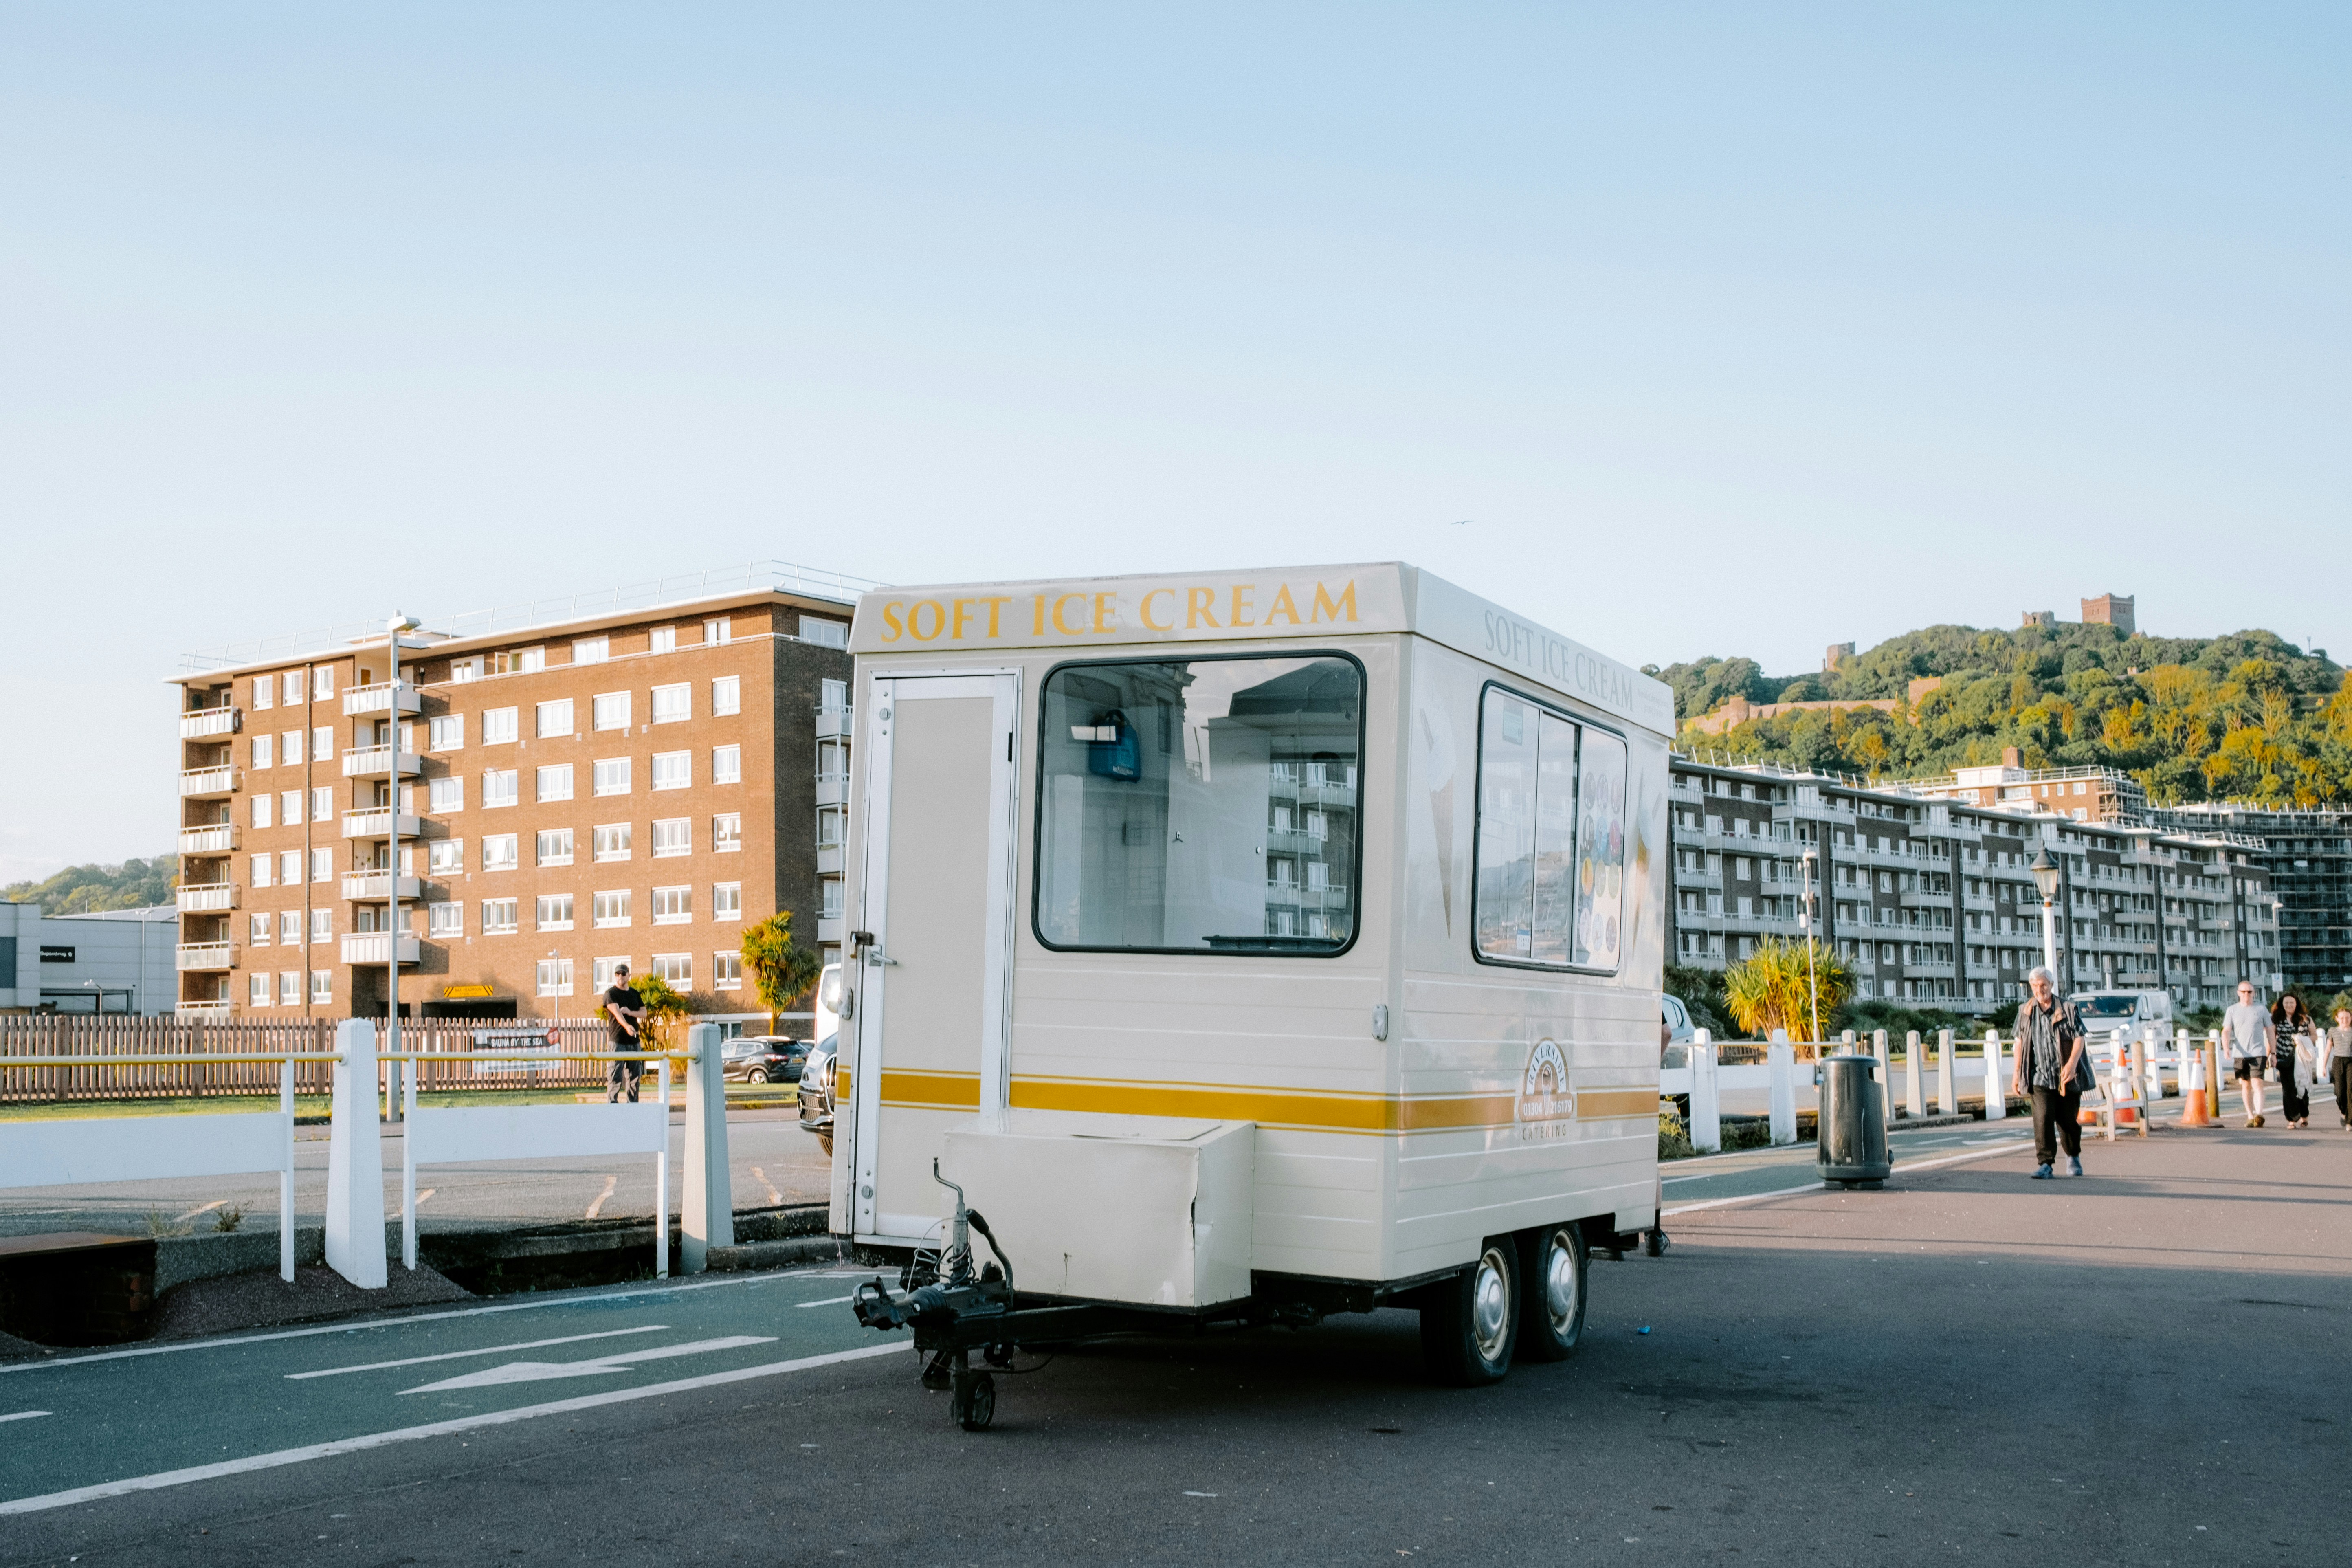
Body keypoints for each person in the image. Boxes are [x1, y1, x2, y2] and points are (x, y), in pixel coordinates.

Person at [2011, 965, 2088, 1179]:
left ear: (2052, 985)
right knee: (2043, 1117)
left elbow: (2080, 1037)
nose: (2039, 990)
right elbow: (2018, 1042)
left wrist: (2072, 1065)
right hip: (2039, 1076)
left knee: (2068, 1121)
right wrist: (2017, 1073)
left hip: (2066, 1075)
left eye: (2044, 985)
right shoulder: (2025, 1011)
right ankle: (2045, 1164)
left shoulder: (2068, 1008)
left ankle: (2073, 1155)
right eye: (2035, 986)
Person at [2221, 981, 2275, 1128]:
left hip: (2258, 1052)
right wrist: (2226, 1047)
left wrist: (2273, 1053)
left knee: (2258, 1083)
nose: (2247, 995)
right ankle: (2250, 1115)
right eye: (2244, 992)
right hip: (2240, 1053)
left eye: (2250, 992)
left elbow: (2270, 1031)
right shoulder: (2232, 1010)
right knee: (2246, 1085)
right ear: (2238, 993)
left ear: (2254, 993)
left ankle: (2259, 1114)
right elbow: (2226, 1030)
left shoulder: (2261, 1009)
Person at [603, 963, 647, 1103]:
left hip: (634, 1042)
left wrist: (630, 1012)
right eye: (618, 974)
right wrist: (628, 1026)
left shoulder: (635, 994)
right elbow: (616, 1012)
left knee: (635, 1077)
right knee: (615, 1076)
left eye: (623, 974)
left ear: (629, 975)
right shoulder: (611, 994)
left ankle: (632, 1107)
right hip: (617, 1042)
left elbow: (644, 1013)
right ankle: (612, 1107)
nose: (620, 976)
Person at [2271, 992, 2315, 1130]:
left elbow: (2314, 1035)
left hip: (2301, 1058)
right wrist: (2270, 1055)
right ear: (2282, 1005)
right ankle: (2292, 1118)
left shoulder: (2305, 1018)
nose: (2289, 1005)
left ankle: (2304, 1116)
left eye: (2292, 1003)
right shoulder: (2276, 1020)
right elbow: (2272, 1037)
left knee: (2302, 1086)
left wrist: (2303, 1041)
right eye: (2286, 1003)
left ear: (2297, 1004)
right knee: (2288, 1089)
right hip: (2284, 1058)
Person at [2325, 1008, 2352, 1131]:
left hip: (2351, 1062)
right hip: (2338, 1062)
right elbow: (2328, 1049)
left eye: (2347, 1018)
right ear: (2337, 1019)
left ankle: (2350, 1122)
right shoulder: (2333, 1031)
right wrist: (2323, 1066)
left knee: (2350, 1091)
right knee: (2340, 1091)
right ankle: (2344, 1112)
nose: (2345, 1020)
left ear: (2351, 1018)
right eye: (2342, 1018)